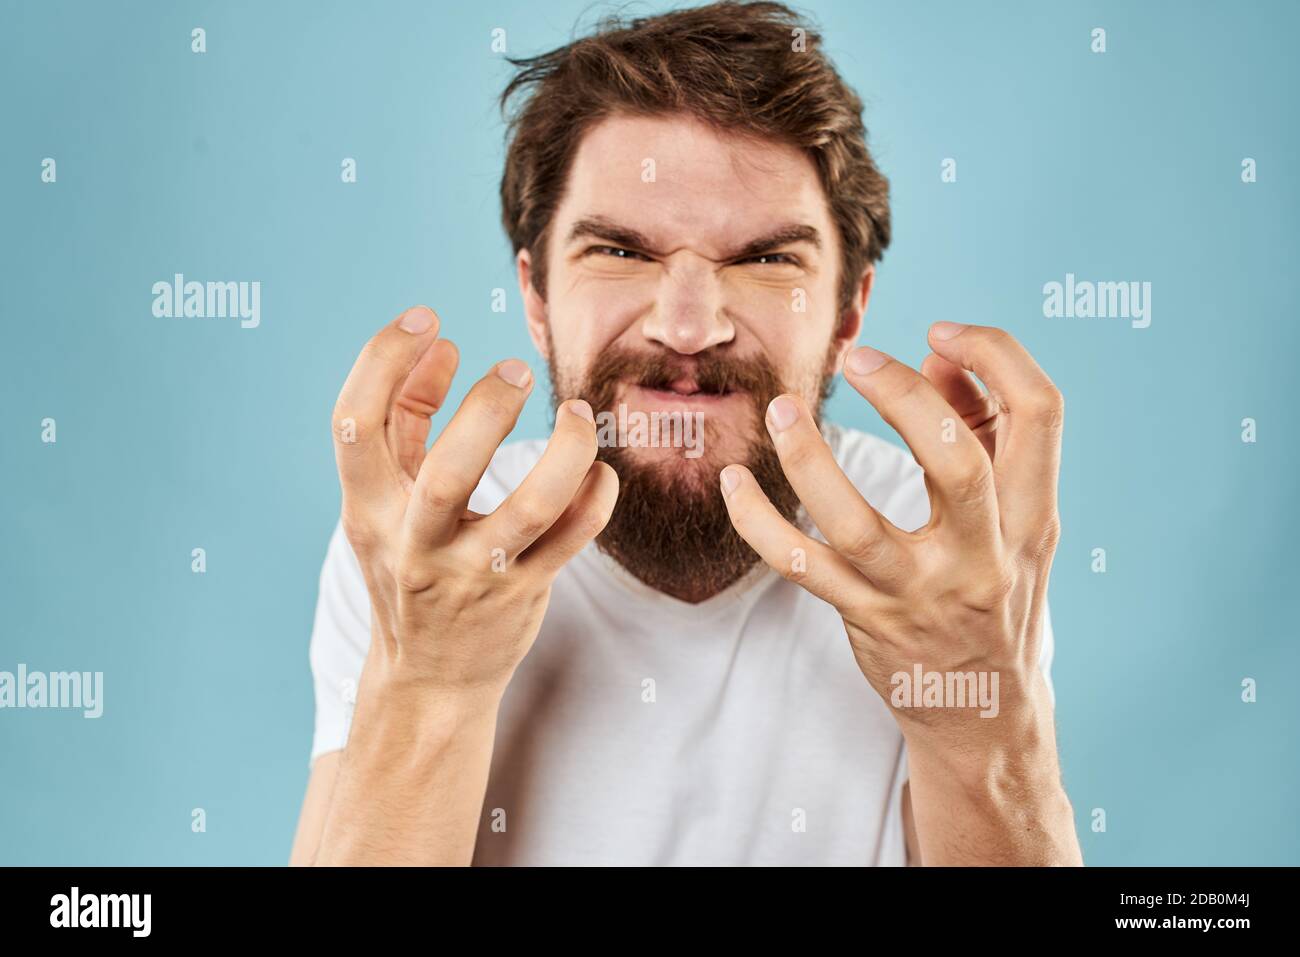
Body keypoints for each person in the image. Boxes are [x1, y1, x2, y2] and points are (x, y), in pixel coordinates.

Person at [289, 1, 1081, 866]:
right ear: (538, 301)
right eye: (622, 253)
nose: (690, 327)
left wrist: (979, 720)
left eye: (767, 259)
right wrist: (428, 683)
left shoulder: (934, 549)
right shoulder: (434, 542)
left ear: (849, 312)